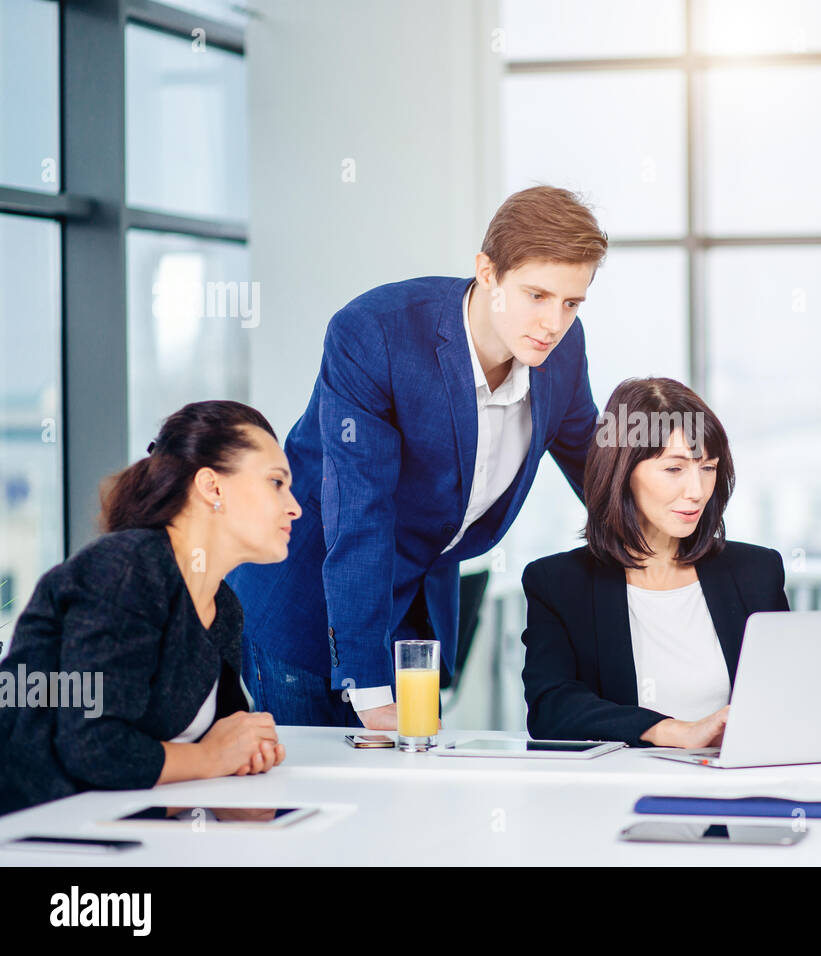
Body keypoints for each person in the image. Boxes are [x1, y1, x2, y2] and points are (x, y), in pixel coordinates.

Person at [228, 185, 607, 729]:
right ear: (487, 272)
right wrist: (367, 685)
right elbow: (360, 516)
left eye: (572, 303)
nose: (553, 322)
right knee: (316, 797)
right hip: (310, 606)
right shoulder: (375, 334)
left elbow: (597, 468)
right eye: (536, 296)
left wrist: (684, 542)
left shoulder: (562, 351)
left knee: (408, 799)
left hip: (413, 617)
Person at [0, 401, 296, 815]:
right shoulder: (126, 570)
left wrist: (247, 748)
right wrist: (215, 757)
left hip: (129, 827)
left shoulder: (223, 607)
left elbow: (228, 737)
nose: (294, 507)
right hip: (36, 831)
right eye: (276, 483)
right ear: (212, 487)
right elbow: (93, 746)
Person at [521, 377, 790, 747]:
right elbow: (552, 709)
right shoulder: (559, 583)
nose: (696, 491)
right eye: (674, 469)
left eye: (707, 468)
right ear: (622, 472)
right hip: (620, 794)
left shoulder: (756, 572)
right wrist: (675, 731)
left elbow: (790, 696)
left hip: (736, 785)